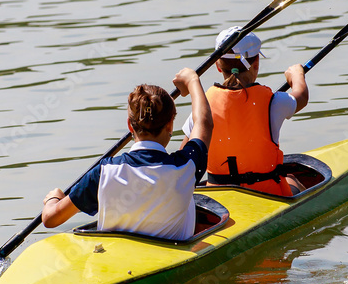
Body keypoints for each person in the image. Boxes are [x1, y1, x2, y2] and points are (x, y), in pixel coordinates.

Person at [41, 68, 213, 241]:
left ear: (130, 126)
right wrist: (192, 80)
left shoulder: (103, 172)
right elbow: (204, 122)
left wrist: (53, 199)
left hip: (114, 263)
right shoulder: (186, 166)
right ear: (170, 125)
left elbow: (50, 219)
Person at [181, 26, 309, 196]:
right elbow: (301, 97)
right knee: (292, 179)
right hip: (268, 195)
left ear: (218, 66)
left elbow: (185, 158)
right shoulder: (275, 102)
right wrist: (297, 75)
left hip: (218, 198)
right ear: (256, 64)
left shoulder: (202, 108)